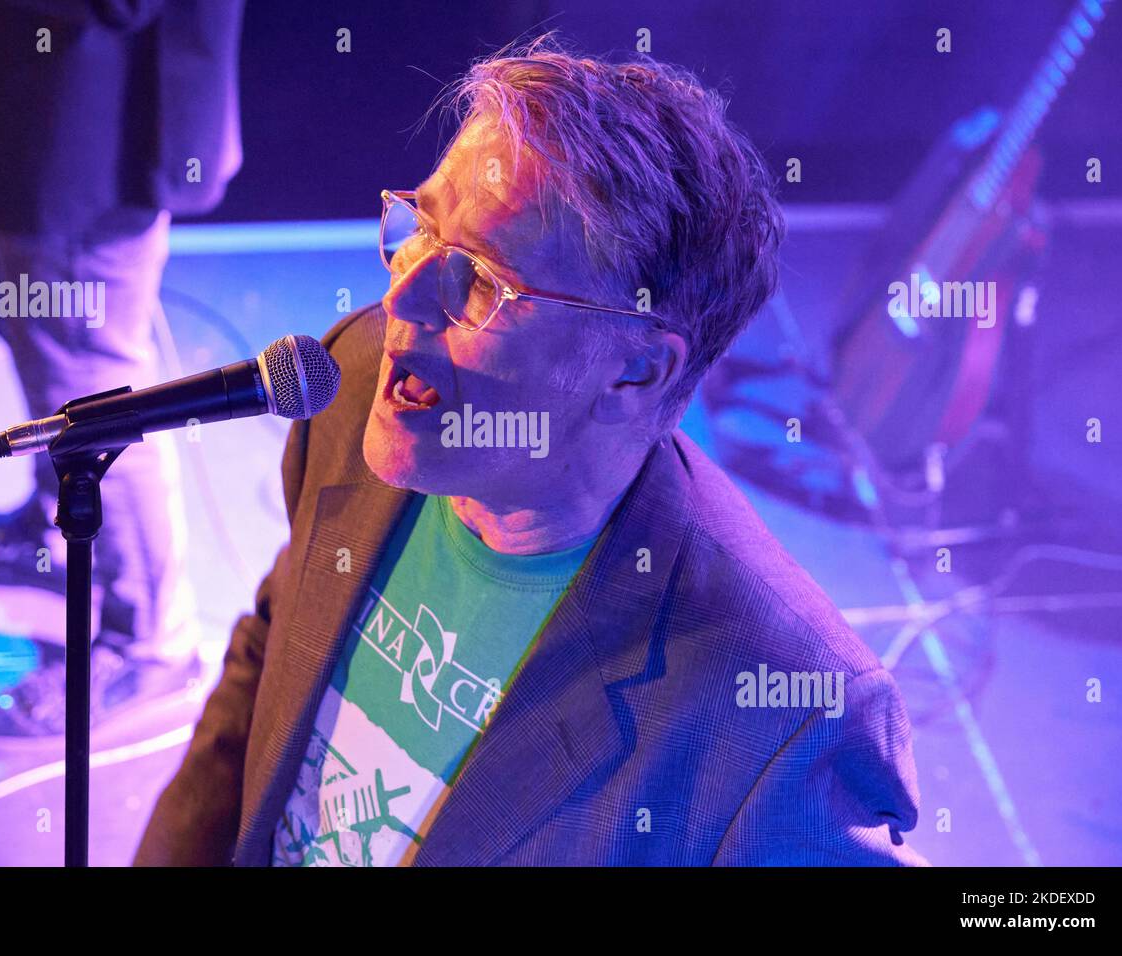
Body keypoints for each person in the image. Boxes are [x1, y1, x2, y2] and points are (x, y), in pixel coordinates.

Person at [136, 36, 927, 866]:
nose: (402, 292)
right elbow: (269, 657)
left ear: (636, 368)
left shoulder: (782, 716)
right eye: (421, 225)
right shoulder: (354, 384)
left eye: (479, 278)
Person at [0, 0, 246, 748]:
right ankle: (57, 532)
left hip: (90, 125)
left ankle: (152, 646)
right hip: (18, 109)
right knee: (41, 349)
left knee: (92, 393)